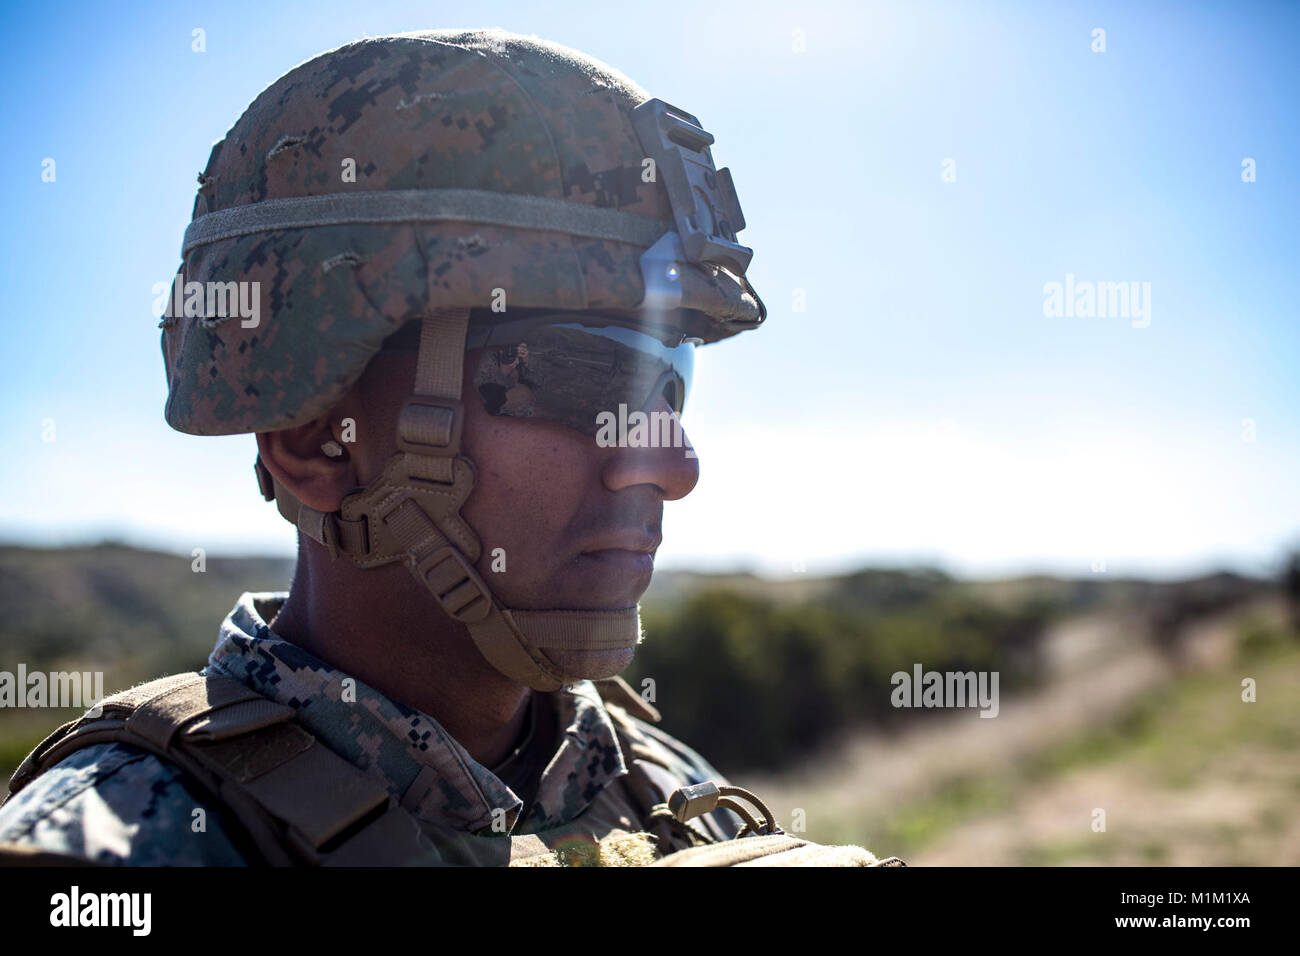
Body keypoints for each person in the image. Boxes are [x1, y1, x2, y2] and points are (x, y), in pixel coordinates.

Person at [0, 28, 898, 867]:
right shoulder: (111, 849)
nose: (670, 464)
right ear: (318, 440)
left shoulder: (667, 789)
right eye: (577, 376)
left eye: (671, 382)